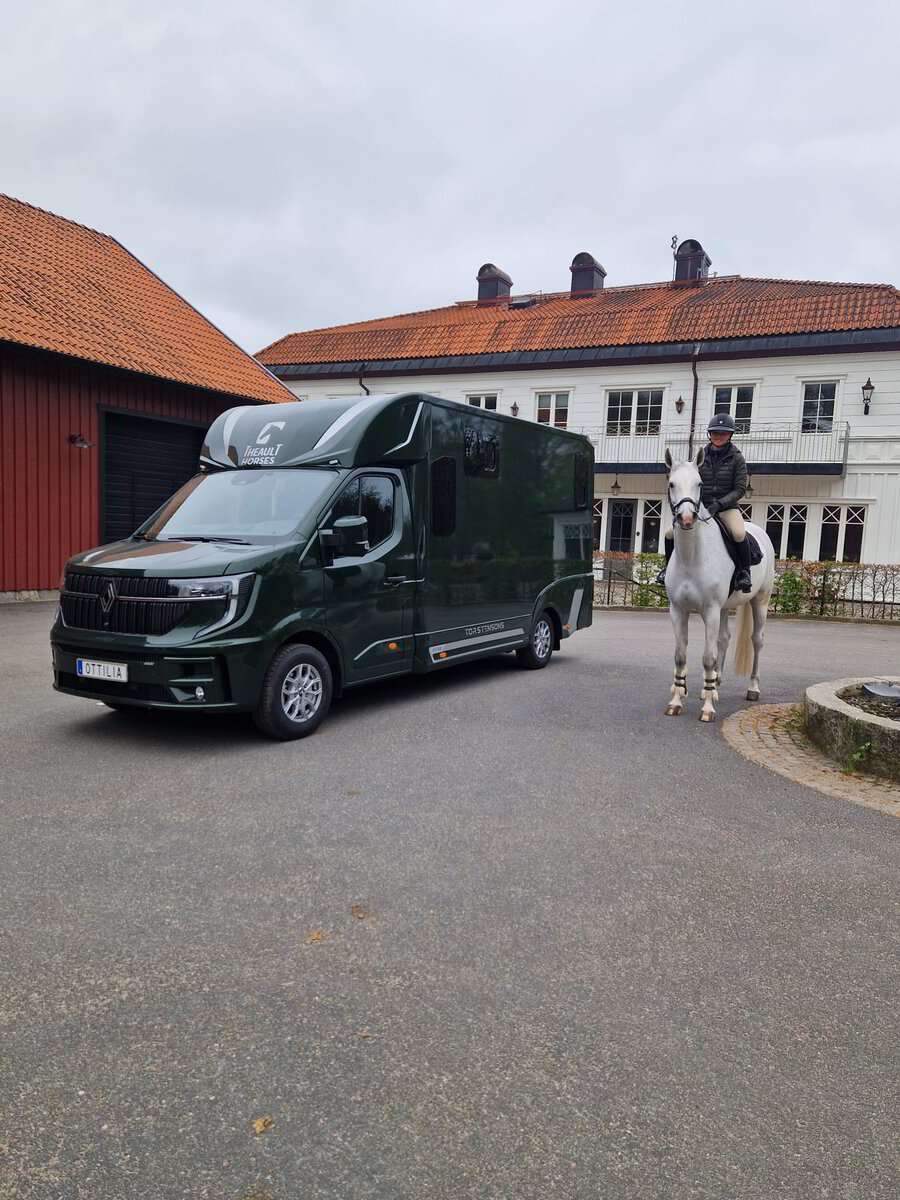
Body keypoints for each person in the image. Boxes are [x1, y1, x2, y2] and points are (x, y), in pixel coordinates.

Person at [657, 412, 752, 591]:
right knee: (670, 533)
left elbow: (739, 489)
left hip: (726, 508)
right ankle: (667, 570)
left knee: (739, 533)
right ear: (710, 434)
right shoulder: (700, 457)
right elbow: (690, 481)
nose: (718, 437)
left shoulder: (737, 458)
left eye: (723, 433)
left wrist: (720, 504)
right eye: (715, 433)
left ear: (730, 435)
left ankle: (744, 573)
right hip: (702, 508)